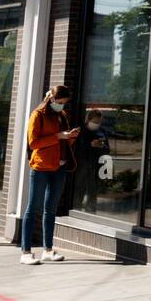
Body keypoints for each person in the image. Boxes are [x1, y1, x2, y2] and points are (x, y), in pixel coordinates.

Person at [20, 85, 79, 265]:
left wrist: (70, 136)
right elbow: (33, 143)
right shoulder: (37, 115)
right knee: (33, 208)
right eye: (60, 102)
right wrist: (59, 136)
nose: (62, 106)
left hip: (59, 167)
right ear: (52, 98)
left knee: (51, 209)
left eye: (64, 103)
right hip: (41, 167)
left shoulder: (61, 116)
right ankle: (26, 252)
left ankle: (48, 249)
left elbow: (62, 141)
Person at [74, 109, 110, 213]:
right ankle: (77, 208)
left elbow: (107, 149)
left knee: (93, 191)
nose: (96, 124)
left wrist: (101, 146)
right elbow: (77, 149)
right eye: (94, 122)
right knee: (79, 189)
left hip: (96, 166)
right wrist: (90, 145)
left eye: (98, 122)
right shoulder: (81, 131)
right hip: (82, 165)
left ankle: (91, 210)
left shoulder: (102, 131)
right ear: (88, 120)